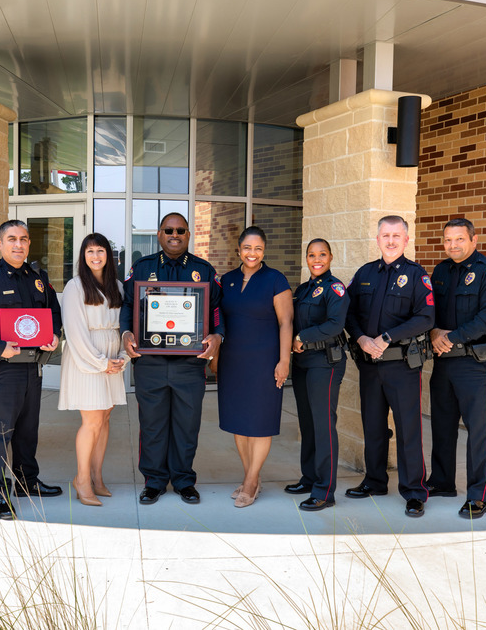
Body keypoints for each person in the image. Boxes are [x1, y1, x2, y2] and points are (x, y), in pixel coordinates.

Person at [121, 212, 224, 506]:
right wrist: (127, 333)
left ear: (188, 234)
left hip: (189, 365)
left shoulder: (203, 270)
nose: (174, 234)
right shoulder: (142, 268)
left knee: (186, 424)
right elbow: (128, 304)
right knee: (152, 425)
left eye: (180, 230)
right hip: (150, 362)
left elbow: (216, 310)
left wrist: (218, 337)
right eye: (169, 230)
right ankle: (153, 482)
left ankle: (183, 480)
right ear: (159, 234)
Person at [0, 220, 63, 521]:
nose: (18, 244)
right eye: (11, 239)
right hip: (2, 369)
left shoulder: (38, 277)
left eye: (23, 239)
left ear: (29, 243)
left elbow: (53, 310)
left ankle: (26, 482)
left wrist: (54, 334)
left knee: (27, 431)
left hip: (33, 368)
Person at [343, 216, 435, 518]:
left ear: (406, 240)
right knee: (373, 425)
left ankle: (413, 491)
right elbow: (349, 312)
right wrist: (359, 337)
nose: (391, 240)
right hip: (370, 364)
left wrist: (386, 337)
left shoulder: (417, 275)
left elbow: (426, 318)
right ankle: (375, 481)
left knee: (409, 428)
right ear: (378, 238)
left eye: (397, 235)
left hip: (402, 365)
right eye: (385, 235)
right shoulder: (365, 273)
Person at [425, 218, 486, 519]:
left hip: (475, 363)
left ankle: (478, 495)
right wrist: (433, 332)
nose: (453, 245)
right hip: (444, 360)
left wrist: (450, 337)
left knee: (478, 431)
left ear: (473, 240)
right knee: (442, 425)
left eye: (459, 239)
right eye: (447, 240)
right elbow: (429, 309)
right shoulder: (441, 271)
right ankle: (442, 481)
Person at [216, 226, 293, 508]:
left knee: (259, 423)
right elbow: (218, 320)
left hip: (265, 360)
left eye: (258, 248)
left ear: (264, 251)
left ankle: (251, 481)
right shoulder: (228, 280)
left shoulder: (276, 279)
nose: (252, 253)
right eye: (247, 248)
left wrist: (284, 361)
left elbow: (286, 322)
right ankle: (251, 474)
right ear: (238, 249)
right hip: (234, 360)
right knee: (239, 421)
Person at [58, 233, 127, 507]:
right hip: (87, 358)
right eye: (90, 251)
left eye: (100, 251)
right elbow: (74, 332)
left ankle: (97, 477)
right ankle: (82, 480)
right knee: (92, 421)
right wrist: (100, 362)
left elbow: (124, 326)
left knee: (105, 418)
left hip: (112, 357)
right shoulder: (75, 287)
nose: (96, 256)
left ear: (108, 255)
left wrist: (123, 356)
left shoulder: (117, 287)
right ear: (83, 257)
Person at [285, 238, 349, 512]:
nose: (317, 259)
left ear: (331, 257)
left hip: (325, 361)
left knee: (323, 423)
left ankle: (325, 491)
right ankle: (309, 478)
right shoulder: (302, 289)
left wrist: (301, 336)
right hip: (302, 362)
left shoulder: (335, 288)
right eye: (312, 255)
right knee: (308, 422)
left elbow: (336, 324)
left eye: (322, 254)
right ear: (306, 258)